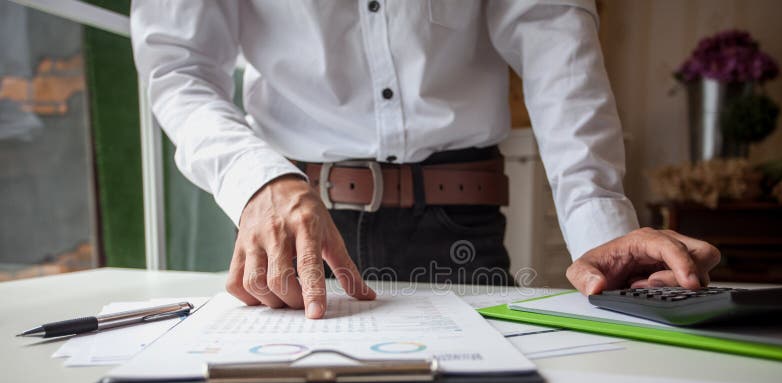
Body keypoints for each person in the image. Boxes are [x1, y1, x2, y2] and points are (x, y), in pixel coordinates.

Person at [131, 1, 720, 319]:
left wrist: (602, 228)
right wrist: (257, 181)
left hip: (459, 223)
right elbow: (178, 67)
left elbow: (551, 29)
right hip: (295, 227)